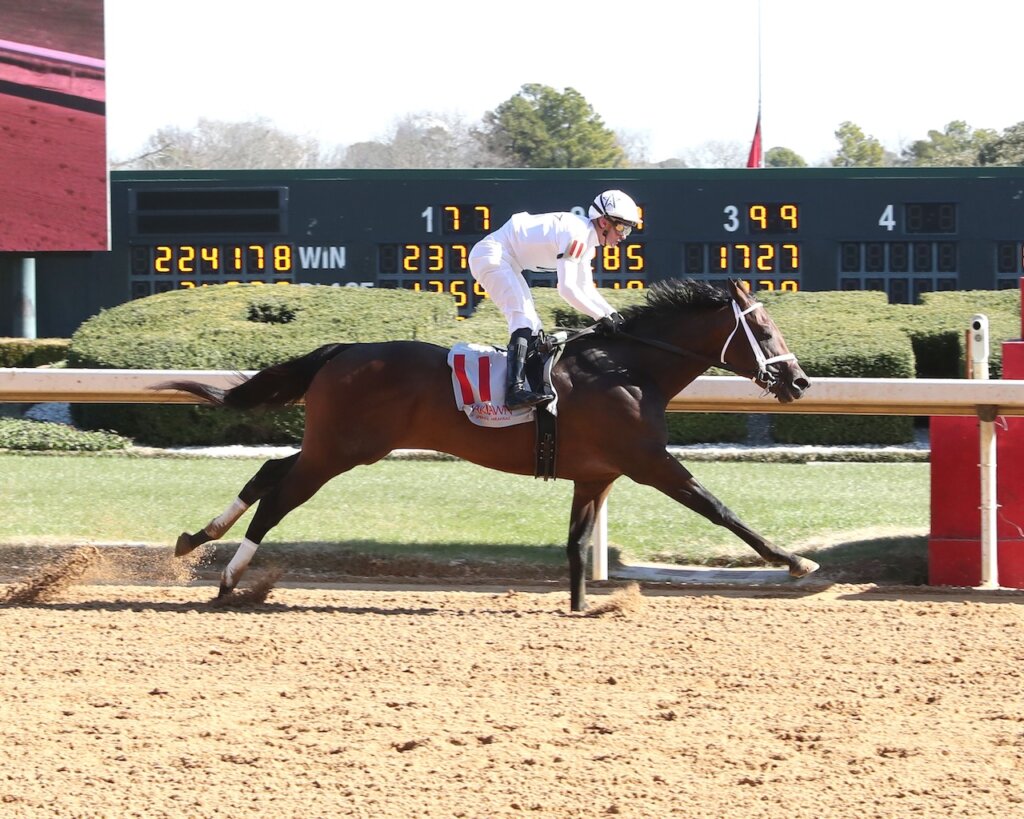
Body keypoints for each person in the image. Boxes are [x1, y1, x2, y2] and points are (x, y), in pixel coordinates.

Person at [468, 189, 641, 410]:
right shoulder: (577, 234)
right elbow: (567, 289)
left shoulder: (587, 244)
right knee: (524, 319)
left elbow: (585, 287)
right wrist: (601, 317)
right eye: (621, 227)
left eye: (628, 228)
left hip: (506, 260)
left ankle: (529, 386)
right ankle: (514, 391)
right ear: (603, 222)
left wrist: (612, 314)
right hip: (492, 255)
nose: (624, 235)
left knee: (534, 325)